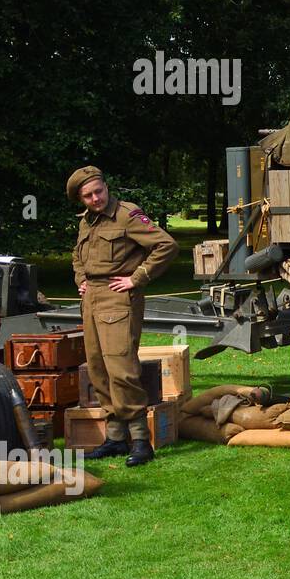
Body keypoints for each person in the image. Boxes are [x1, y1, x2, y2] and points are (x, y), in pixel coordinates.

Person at [67, 166, 178, 466]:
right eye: (88, 195)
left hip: (118, 299)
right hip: (91, 300)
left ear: (106, 187)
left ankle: (141, 440)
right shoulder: (86, 222)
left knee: (122, 369)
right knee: (98, 369)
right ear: (81, 199)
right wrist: (81, 280)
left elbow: (166, 245)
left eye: (98, 191)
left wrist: (137, 277)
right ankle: (116, 438)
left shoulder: (127, 215)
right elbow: (78, 256)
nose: (95, 198)